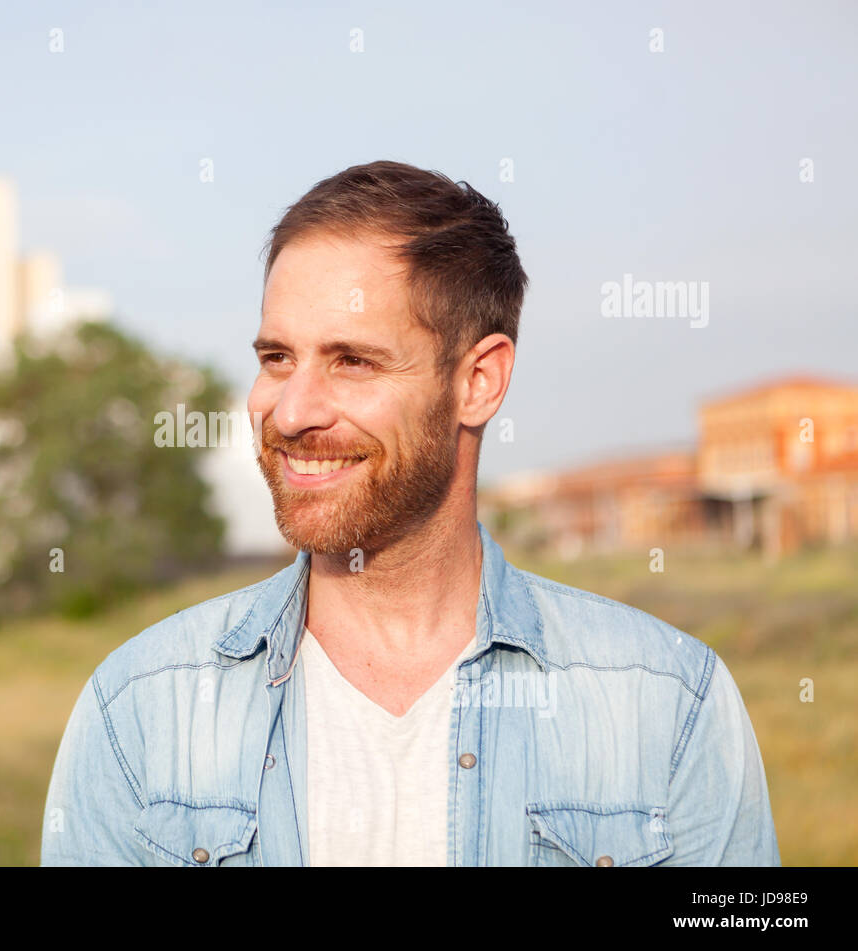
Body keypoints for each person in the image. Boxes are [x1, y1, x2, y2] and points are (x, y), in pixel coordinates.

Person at [40, 160, 780, 866]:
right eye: (276, 358)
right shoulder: (139, 707)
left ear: (479, 383)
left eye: (352, 361)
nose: (290, 411)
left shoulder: (665, 702)